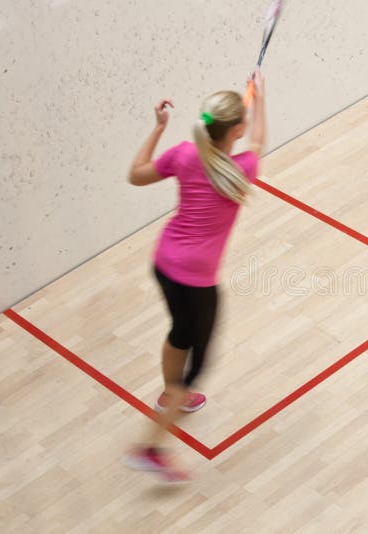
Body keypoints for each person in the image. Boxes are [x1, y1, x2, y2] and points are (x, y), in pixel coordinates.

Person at [123, 70, 266, 482]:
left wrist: (158, 128)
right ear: (235, 130)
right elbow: (258, 139)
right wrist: (262, 99)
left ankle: (171, 394)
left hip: (164, 265)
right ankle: (150, 448)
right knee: (197, 365)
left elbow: (136, 174)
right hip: (197, 281)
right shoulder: (242, 168)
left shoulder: (185, 154)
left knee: (178, 332)